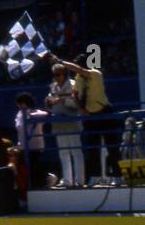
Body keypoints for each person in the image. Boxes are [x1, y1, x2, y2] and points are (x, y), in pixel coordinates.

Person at [54, 52, 121, 185]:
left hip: (104, 113)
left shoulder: (95, 73)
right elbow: (75, 95)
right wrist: (81, 109)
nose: (76, 69)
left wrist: (61, 61)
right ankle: (95, 177)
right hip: (90, 116)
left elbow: (79, 70)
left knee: (112, 147)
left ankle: (117, 176)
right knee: (92, 148)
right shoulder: (79, 78)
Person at [46, 62, 84, 187]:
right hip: (58, 123)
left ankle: (79, 181)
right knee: (63, 153)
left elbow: (76, 105)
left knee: (76, 152)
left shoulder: (73, 85)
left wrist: (62, 100)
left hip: (71, 121)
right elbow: (49, 105)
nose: (56, 77)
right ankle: (68, 180)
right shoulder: (53, 87)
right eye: (54, 75)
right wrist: (49, 103)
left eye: (58, 74)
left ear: (64, 74)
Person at [14, 92, 51, 196]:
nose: (20, 106)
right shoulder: (19, 114)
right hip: (22, 147)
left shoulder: (36, 112)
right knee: (25, 170)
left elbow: (46, 114)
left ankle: (44, 182)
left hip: (35, 147)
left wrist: (31, 115)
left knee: (35, 167)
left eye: (21, 103)